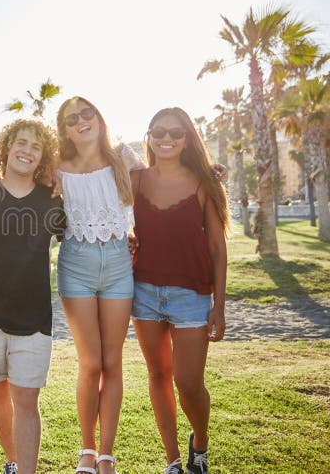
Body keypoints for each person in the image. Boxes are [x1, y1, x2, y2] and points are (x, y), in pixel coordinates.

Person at [0, 119, 65, 474]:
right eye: (21, 143)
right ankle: (12, 460)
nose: (27, 151)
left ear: (43, 158)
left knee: (26, 398)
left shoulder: (52, 200)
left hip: (33, 315)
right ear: (6, 148)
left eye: (36, 147)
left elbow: (82, 231)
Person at [130, 107, 228, 474]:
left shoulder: (205, 182)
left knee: (188, 383)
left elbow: (218, 249)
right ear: (149, 136)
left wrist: (218, 305)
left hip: (192, 295)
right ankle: (172, 460)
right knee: (158, 376)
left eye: (175, 132)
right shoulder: (136, 179)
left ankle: (199, 444)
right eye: (158, 131)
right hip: (144, 293)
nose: (165, 138)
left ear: (188, 138)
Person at [54, 96, 144, 474]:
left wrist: (209, 171)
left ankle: (107, 454)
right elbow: (10, 173)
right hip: (76, 264)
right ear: (64, 129)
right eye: (72, 118)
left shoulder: (124, 157)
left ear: (99, 118)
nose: (81, 121)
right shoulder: (56, 168)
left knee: (112, 361)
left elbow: (161, 183)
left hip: (119, 264)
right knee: (90, 364)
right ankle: (86, 451)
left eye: (86, 113)